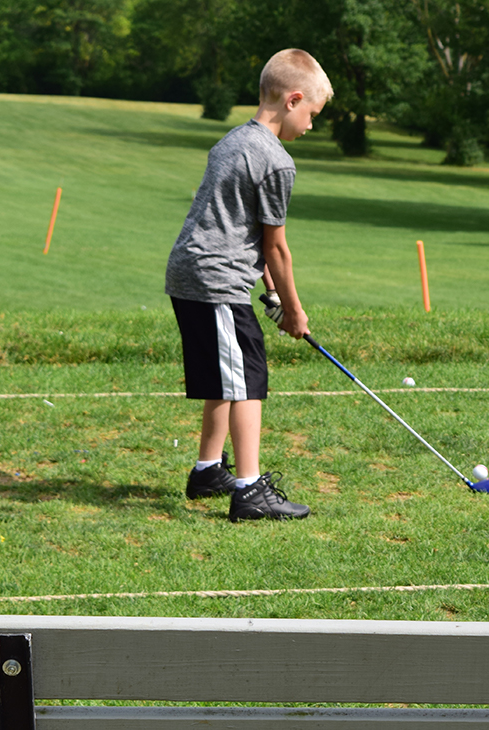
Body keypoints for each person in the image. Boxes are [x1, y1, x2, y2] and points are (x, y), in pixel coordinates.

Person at [165, 49, 333, 522]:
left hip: (192, 271)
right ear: (293, 99)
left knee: (226, 374)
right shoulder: (276, 161)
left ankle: (207, 471)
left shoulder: (233, 141)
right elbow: (277, 248)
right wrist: (295, 311)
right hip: (215, 279)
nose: (311, 126)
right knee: (247, 381)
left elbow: (241, 228)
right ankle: (250, 491)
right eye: (312, 115)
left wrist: (274, 295)